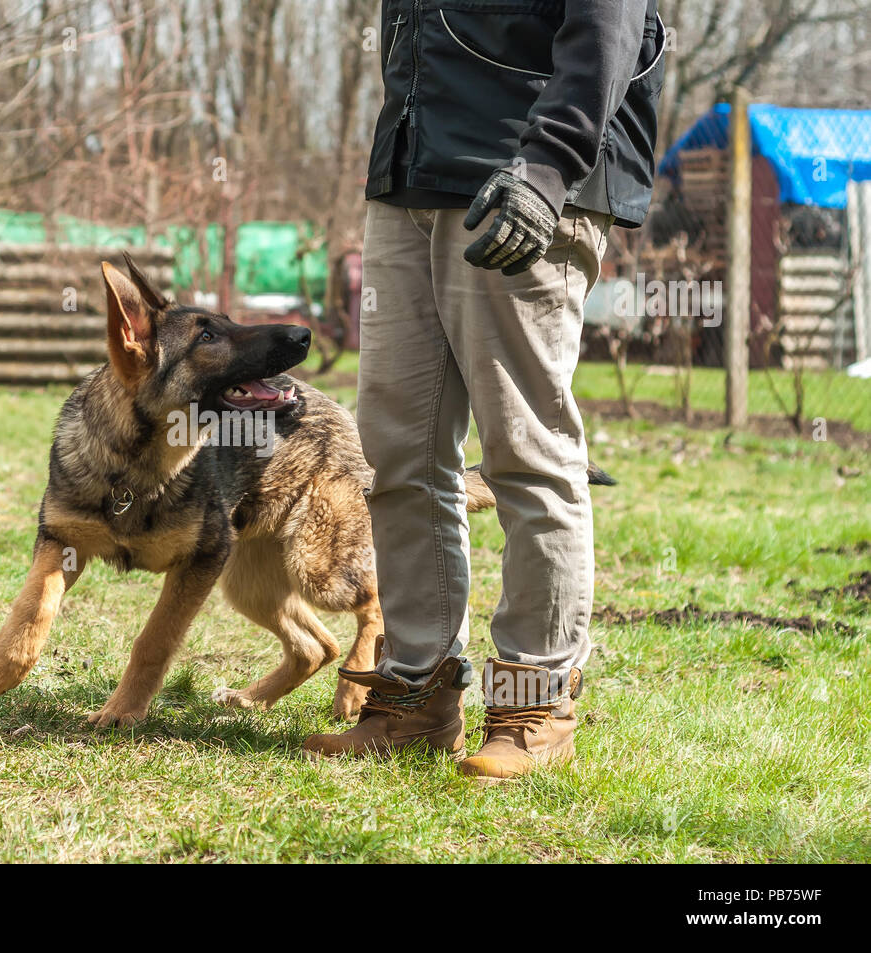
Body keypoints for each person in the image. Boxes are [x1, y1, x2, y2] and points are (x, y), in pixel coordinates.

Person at [303, 0, 664, 781]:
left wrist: (548, 164)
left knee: (524, 449)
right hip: (412, 168)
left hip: (525, 176)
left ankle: (535, 699)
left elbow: (608, 20)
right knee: (398, 450)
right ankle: (417, 692)